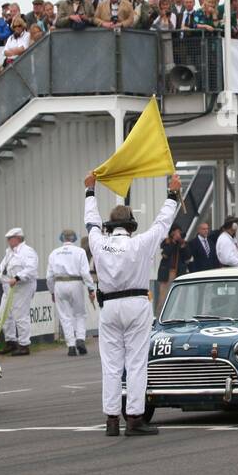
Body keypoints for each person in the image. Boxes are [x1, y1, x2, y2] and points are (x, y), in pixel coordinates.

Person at [84, 170, 181, 437]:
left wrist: (89, 192)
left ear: (111, 226)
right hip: (136, 304)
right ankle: (135, 418)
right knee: (136, 363)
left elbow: (90, 222)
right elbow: (163, 223)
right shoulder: (141, 243)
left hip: (109, 307)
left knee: (111, 365)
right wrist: (172, 194)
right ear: (130, 226)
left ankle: (112, 420)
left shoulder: (99, 243)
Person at [0, 228, 38, 356]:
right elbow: (4, 268)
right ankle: (11, 342)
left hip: (22, 288)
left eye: (10, 238)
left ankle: (24, 345)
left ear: (18, 238)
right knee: (3, 313)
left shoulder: (27, 252)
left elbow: (30, 269)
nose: (8, 241)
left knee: (20, 315)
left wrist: (17, 277)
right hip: (8, 287)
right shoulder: (9, 252)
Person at [49, 229, 95, 356]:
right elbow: (85, 273)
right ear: (74, 238)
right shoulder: (80, 252)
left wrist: (52, 291)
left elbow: (49, 276)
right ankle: (80, 338)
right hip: (76, 282)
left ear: (62, 238)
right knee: (80, 314)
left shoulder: (54, 253)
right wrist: (91, 288)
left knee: (65, 316)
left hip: (59, 283)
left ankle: (71, 345)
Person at [156, 225, 192, 309]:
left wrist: (182, 244)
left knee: (180, 297)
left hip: (179, 272)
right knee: (163, 298)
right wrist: (173, 242)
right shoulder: (166, 242)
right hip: (167, 273)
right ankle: (160, 317)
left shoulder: (183, 243)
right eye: (176, 233)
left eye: (179, 233)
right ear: (172, 233)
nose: (178, 235)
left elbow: (187, 257)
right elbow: (165, 255)